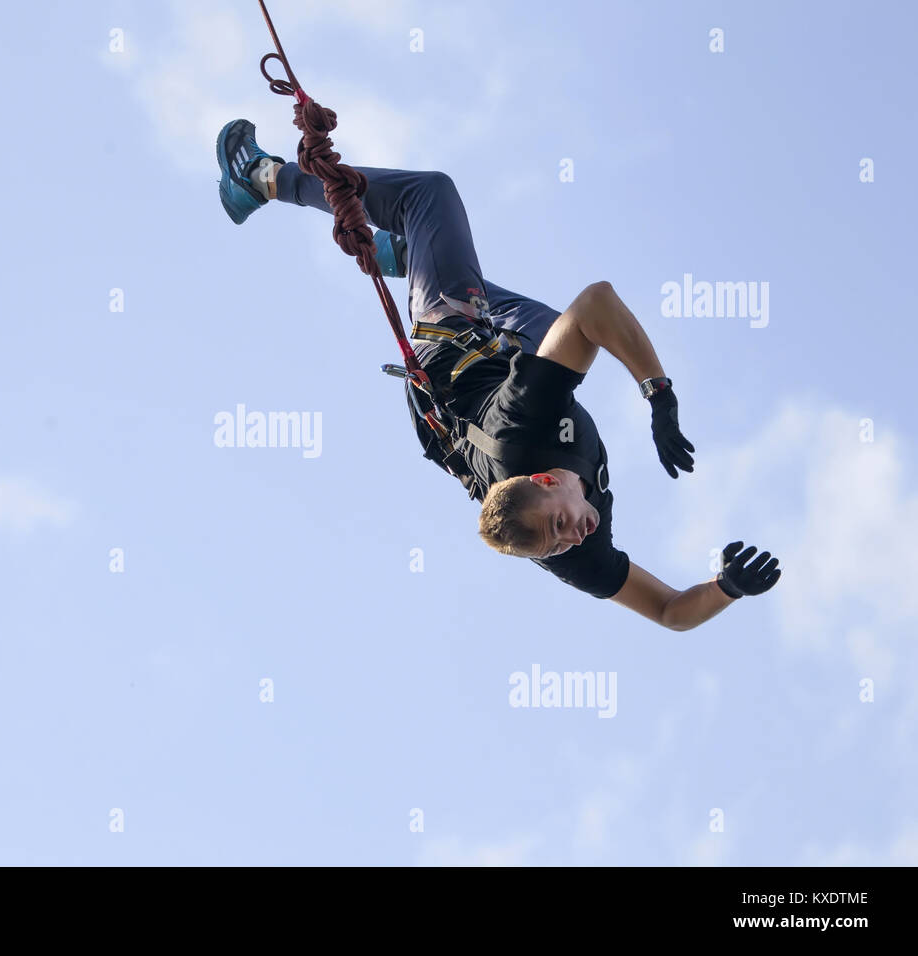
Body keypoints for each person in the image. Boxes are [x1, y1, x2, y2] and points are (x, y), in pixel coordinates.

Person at [217, 119, 781, 630]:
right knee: (552, 329)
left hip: (455, 343)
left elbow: (598, 303)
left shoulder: (525, 429)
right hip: (508, 355)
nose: (573, 534)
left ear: (544, 481)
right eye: (558, 544)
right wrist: (726, 587)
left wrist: (659, 396)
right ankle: (410, 256)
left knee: (430, 193)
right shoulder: (572, 556)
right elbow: (669, 611)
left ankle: (262, 179)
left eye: (558, 525)